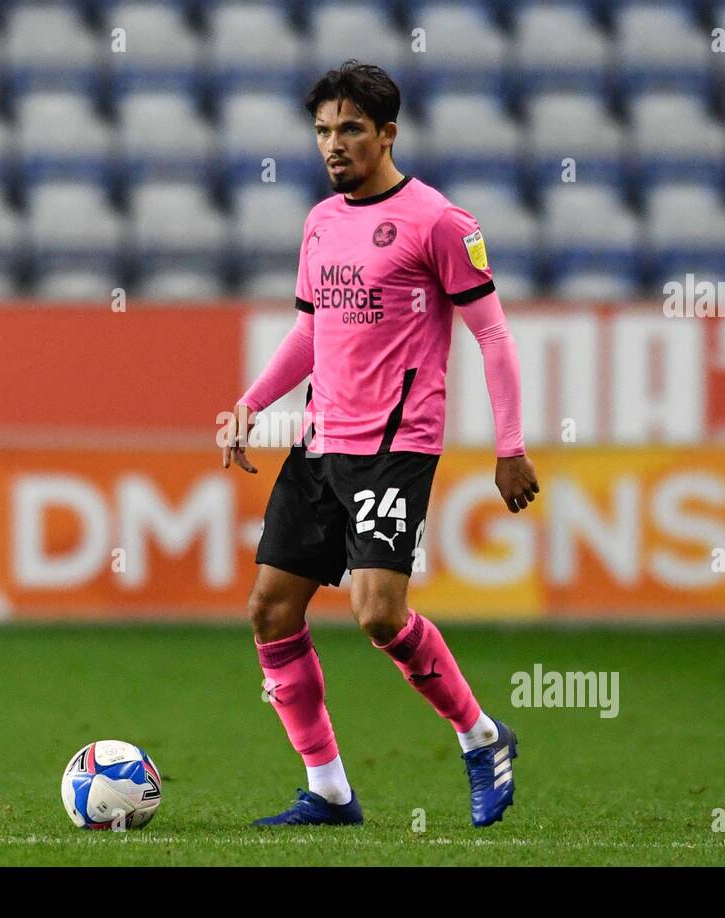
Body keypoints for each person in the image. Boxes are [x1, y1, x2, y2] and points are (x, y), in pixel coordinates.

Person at [221, 61, 539, 827]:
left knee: (378, 616)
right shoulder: (321, 220)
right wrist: (251, 404)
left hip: (396, 446)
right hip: (320, 439)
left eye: (351, 129)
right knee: (270, 611)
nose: (334, 144)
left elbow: (491, 334)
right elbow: (309, 328)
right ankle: (328, 788)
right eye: (325, 130)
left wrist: (510, 446)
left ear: (388, 133)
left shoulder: (440, 222)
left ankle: (482, 735)